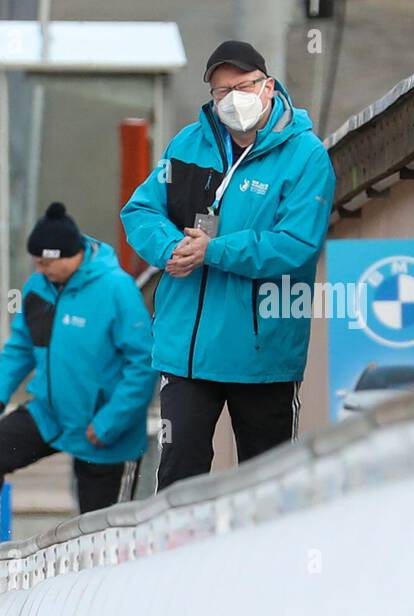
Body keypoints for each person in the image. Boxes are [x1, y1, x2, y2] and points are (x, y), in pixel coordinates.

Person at [120, 40, 335, 490]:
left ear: (268, 86)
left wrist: (213, 251)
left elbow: (296, 244)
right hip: (186, 353)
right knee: (178, 478)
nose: (233, 98)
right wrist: (170, 248)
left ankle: (267, 561)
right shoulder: (188, 144)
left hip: (261, 354)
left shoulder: (306, 155)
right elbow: (140, 211)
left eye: (243, 85)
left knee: (268, 483)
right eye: (221, 91)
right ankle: (178, 561)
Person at [0, 202, 156, 577]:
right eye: (35, 263)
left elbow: (142, 365)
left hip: (103, 430)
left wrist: (110, 422)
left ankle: (102, 586)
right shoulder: (38, 288)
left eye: (45, 264)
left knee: (99, 531)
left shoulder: (116, 289)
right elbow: (21, 346)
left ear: (70, 256)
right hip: (50, 414)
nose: (39, 270)